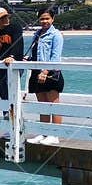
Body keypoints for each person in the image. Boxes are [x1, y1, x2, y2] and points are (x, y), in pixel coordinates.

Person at [22, 9, 64, 142]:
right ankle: (43, 132)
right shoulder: (37, 34)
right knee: (42, 104)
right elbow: (37, 55)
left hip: (51, 73)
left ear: (53, 19)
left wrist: (45, 71)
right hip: (36, 72)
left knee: (53, 104)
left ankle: (55, 135)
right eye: (42, 19)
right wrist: (27, 60)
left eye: (47, 18)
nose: (44, 21)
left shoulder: (56, 35)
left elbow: (55, 57)